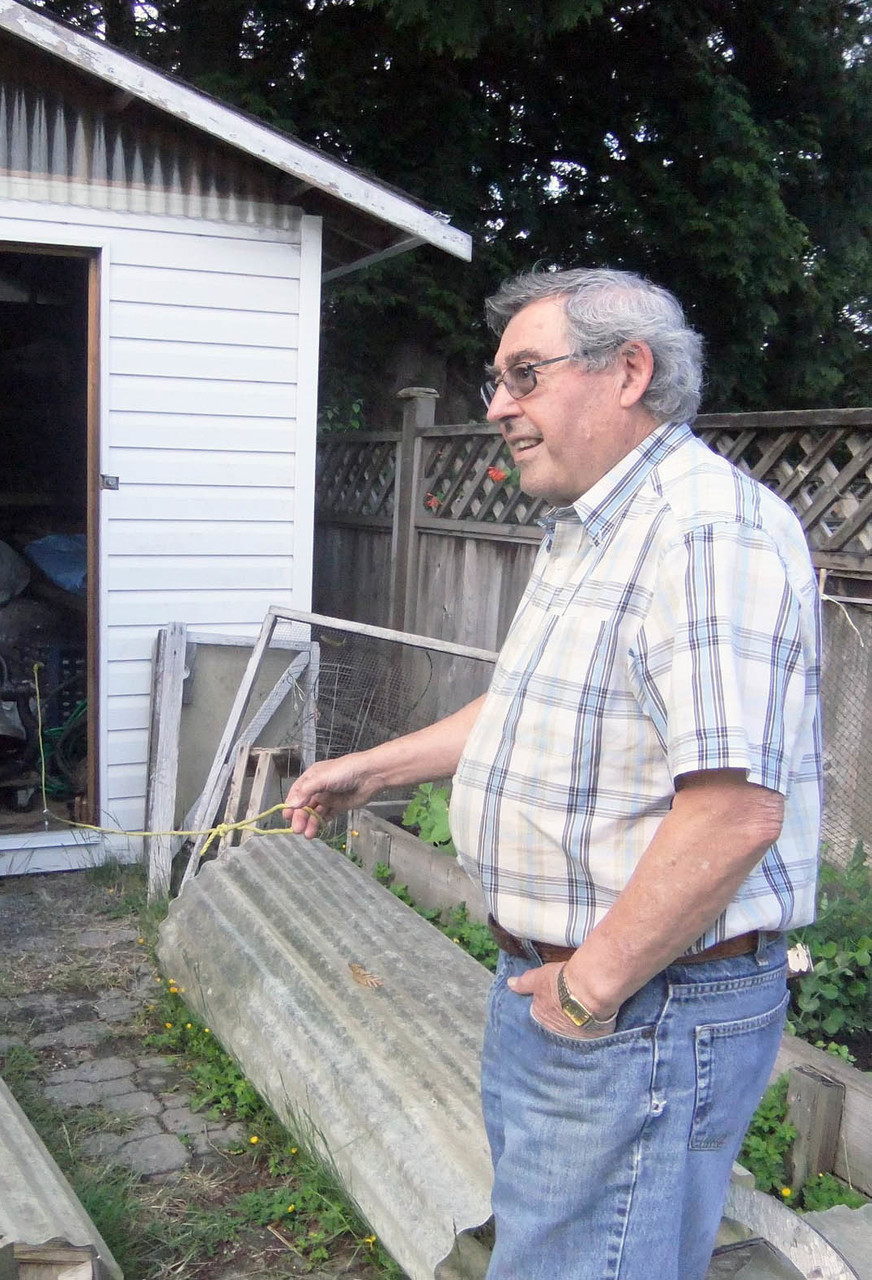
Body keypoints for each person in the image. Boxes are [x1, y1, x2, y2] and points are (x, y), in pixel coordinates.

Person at [283, 267, 822, 1280]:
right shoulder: (591, 529)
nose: (496, 407)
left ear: (629, 370)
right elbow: (532, 710)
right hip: (576, 989)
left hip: (640, 1006)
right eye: (498, 380)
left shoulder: (704, 531)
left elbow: (735, 811)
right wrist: (372, 766)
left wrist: (588, 989)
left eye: (523, 375)